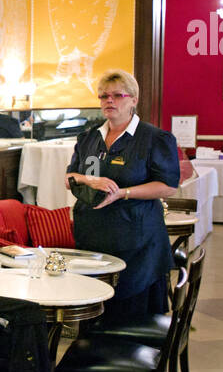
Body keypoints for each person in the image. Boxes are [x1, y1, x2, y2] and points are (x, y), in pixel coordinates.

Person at [65, 69, 179, 319]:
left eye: (117, 95)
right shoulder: (89, 138)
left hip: (137, 241)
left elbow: (169, 186)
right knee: (94, 311)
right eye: (104, 96)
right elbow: (70, 178)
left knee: (130, 314)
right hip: (92, 237)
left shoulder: (154, 138)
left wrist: (123, 193)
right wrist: (90, 180)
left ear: (133, 100)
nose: (109, 100)